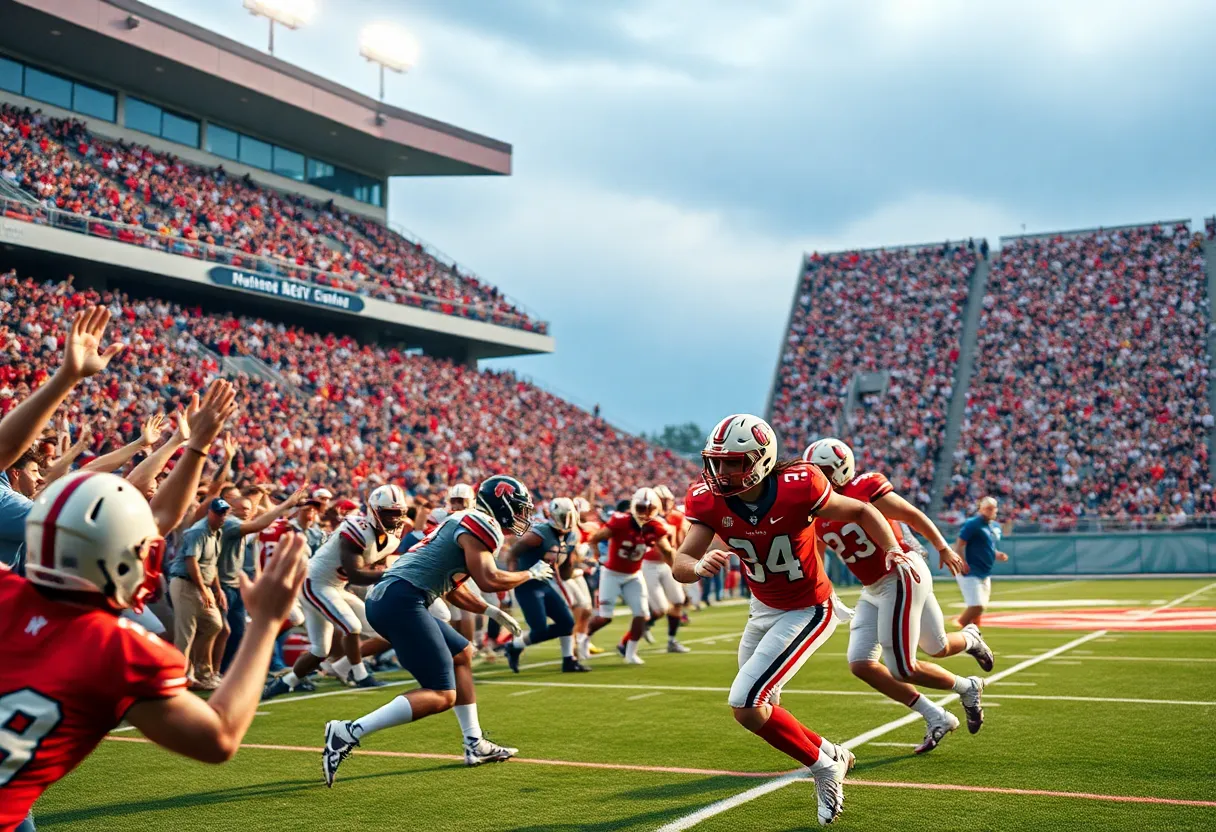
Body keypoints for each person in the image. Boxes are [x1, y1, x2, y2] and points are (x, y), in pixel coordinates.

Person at [672, 414, 911, 827]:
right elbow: (680, 562)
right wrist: (698, 567)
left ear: (762, 460)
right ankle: (831, 752)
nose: (722, 472)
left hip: (808, 607)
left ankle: (822, 767)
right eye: (717, 462)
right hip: (762, 609)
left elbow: (861, 510)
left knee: (746, 704)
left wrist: (891, 546)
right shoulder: (708, 499)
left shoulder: (800, 486)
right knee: (762, 709)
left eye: (734, 462)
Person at [320, 475, 546, 786]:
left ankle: (474, 743)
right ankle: (348, 731)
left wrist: (489, 610)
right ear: (502, 503)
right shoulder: (483, 524)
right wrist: (529, 574)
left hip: (395, 596)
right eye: (518, 508)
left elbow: (449, 582)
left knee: (462, 653)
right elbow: (489, 579)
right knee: (442, 694)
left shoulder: (464, 519)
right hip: (402, 599)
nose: (522, 516)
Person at [805, 439, 993, 751]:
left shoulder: (865, 487)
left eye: (825, 471)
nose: (820, 478)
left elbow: (912, 516)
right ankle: (944, 699)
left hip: (901, 572)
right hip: (875, 587)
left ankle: (967, 687)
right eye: (815, 471)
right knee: (879, 659)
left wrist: (943, 547)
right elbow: (817, 555)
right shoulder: (815, 508)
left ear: (842, 469)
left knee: (902, 666)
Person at [262, 484, 407, 699]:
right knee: (352, 625)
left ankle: (286, 681)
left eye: (399, 514)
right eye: (389, 513)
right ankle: (360, 675)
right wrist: (392, 574)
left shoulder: (392, 537)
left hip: (336, 587)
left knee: (321, 650)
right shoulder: (357, 530)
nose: (394, 519)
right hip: (315, 583)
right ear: (375, 511)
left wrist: (385, 571)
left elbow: (377, 566)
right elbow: (357, 575)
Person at [583, 488, 674, 665]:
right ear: (633, 507)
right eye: (641, 508)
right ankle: (583, 639)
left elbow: (667, 550)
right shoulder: (620, 521)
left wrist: (676, 570)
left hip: (634, 574)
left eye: (649, 509)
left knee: (642, 615)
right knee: (605, 617)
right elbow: (594, 538)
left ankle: (631, 652)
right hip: (612, 573)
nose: (645, 513)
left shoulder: (655, 527)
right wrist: (597, 557)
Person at [502, 497, 591, 673]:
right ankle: (514, 646)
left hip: (544, 583)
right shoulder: (539, 534)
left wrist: (573, 562)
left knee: (566, 622)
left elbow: (565, 573)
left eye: (570, 516)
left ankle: (569, 661)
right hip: (527, 585)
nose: (567, 521)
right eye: (563, 516)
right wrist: (513, 578)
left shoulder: (572, 535)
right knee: (540, 629)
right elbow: (512, 553)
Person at [168, 498, 230, 690]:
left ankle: (201, 671)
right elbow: (191, 561)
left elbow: (212, 565)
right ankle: (181, 677)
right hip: (185, 583)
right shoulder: (198, 531)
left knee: (214, 624)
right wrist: (204, 589)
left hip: (201, 584)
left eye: (224, 513)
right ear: (209, 512)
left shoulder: (216, 533)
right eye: (218, 512)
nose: (222, 516)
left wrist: (217, 589)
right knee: (186, 632)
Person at [640, 484, 691, 653]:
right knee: (660, 607)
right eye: (662, 500)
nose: (666, 503)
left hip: (669, 563)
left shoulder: (677, 517)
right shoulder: (648, 519)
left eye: (667, 499)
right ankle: (644, 626)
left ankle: (671, 640)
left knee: (678, 600)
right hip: (650, 564)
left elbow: (682, 539)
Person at [954, 496, 1009, 628]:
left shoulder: (994, 526)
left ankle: (975, 636)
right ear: (981, 509)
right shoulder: (973, 523)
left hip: (985, 571)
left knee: (979, 610)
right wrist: (962, 562)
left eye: (992, 508)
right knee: (977, 606)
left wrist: (997, 554)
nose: (990, 511)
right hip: (971, 570)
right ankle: (960, 623)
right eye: (987, 509)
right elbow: (959, 544)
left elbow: (988, 547)